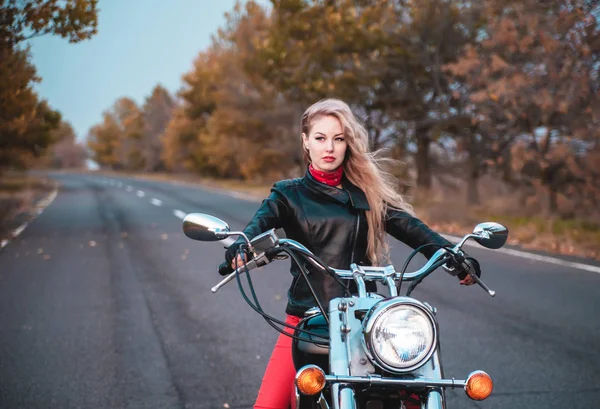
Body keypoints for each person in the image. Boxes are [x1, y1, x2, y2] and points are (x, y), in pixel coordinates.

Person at [222, 98, 479, 409]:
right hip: (306, 318)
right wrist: (242, 244)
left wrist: (452, 254)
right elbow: (260, 223)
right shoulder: (288, 195)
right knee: (267, 406)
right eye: (320, 138)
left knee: (418, 388)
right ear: (306, 142)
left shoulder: (365, 194)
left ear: (347, 144)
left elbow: (410, 227)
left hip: (363, 319)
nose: (329, 147)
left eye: (338, 138)